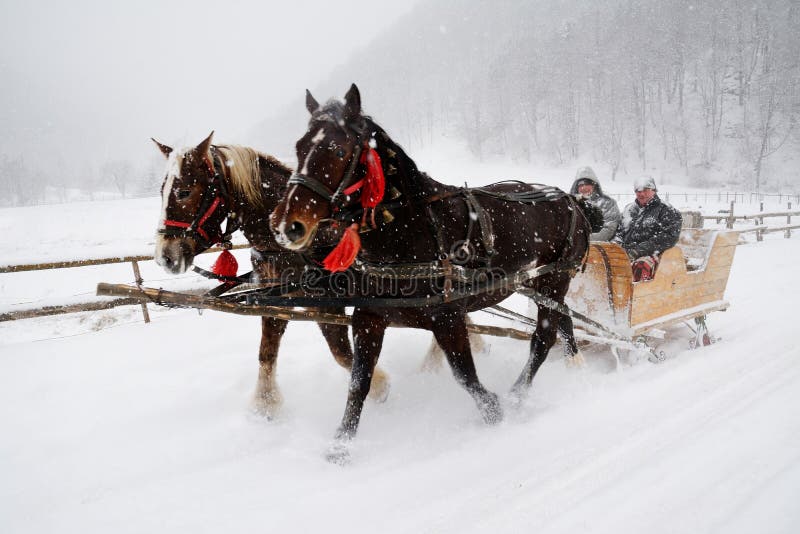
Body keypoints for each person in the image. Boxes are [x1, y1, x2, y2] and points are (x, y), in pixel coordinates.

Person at [613, 176, 682, 281]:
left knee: (641, 266)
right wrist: (616, 247)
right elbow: (619, 232)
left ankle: (638, 295)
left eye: (645, 190)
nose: (641, 194)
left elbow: (669, 237)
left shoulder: (666, 210)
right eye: (638, 191)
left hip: (654, 254)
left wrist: (638, 250)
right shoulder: (629, 209)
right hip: (626, 252)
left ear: (653, 190)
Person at [569, 166, 621, 242]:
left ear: (594, 185)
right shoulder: (571, 204)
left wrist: (584, 240)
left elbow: (610, 228)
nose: (584, 187)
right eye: (581, 185)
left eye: (587, 184)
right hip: (573, 247)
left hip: (600, 247)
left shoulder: (608, 203)